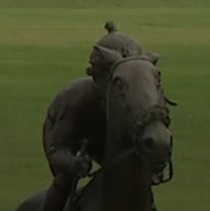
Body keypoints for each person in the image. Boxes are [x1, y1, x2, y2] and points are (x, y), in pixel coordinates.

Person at [37, 23, 147, 211]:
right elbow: (58, 150)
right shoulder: (75, 101)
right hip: (73, 139)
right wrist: (72, 163)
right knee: (64, 181)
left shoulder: (132, 100)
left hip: (106, 139)